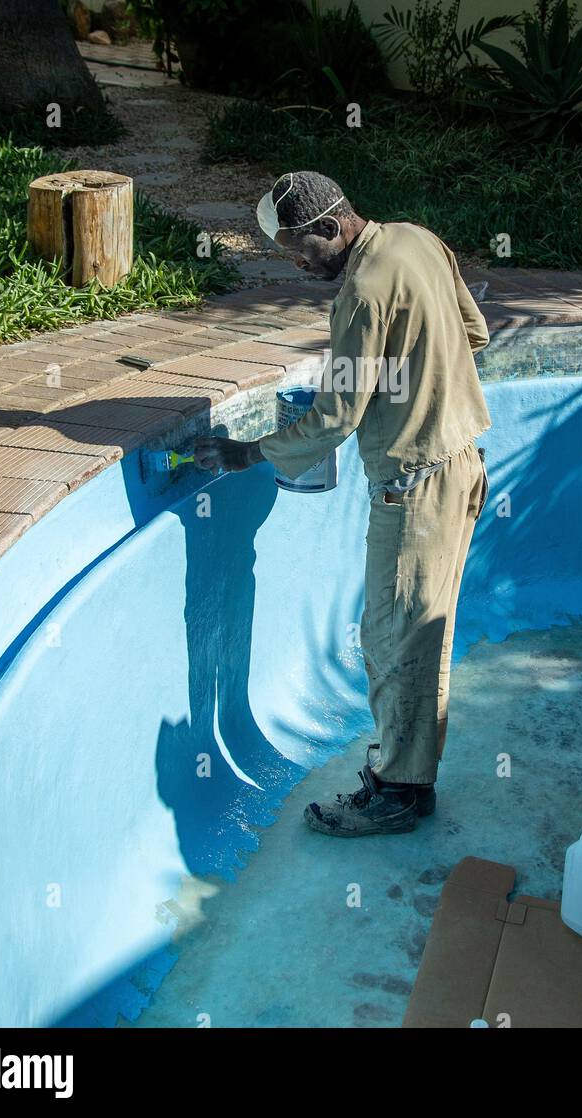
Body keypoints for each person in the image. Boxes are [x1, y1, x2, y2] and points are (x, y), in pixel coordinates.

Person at [195, 171, 491, 836]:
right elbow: (473, 333)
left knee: (391, 641)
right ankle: (412, 778)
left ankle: (397, 793)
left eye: (302, 250)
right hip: (465, 464)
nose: (300, 266)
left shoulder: (360, 291)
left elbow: (333, 419)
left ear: (331, 227)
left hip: (414, 489)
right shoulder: (418, 240)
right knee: (423, 636)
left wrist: (250, 453)